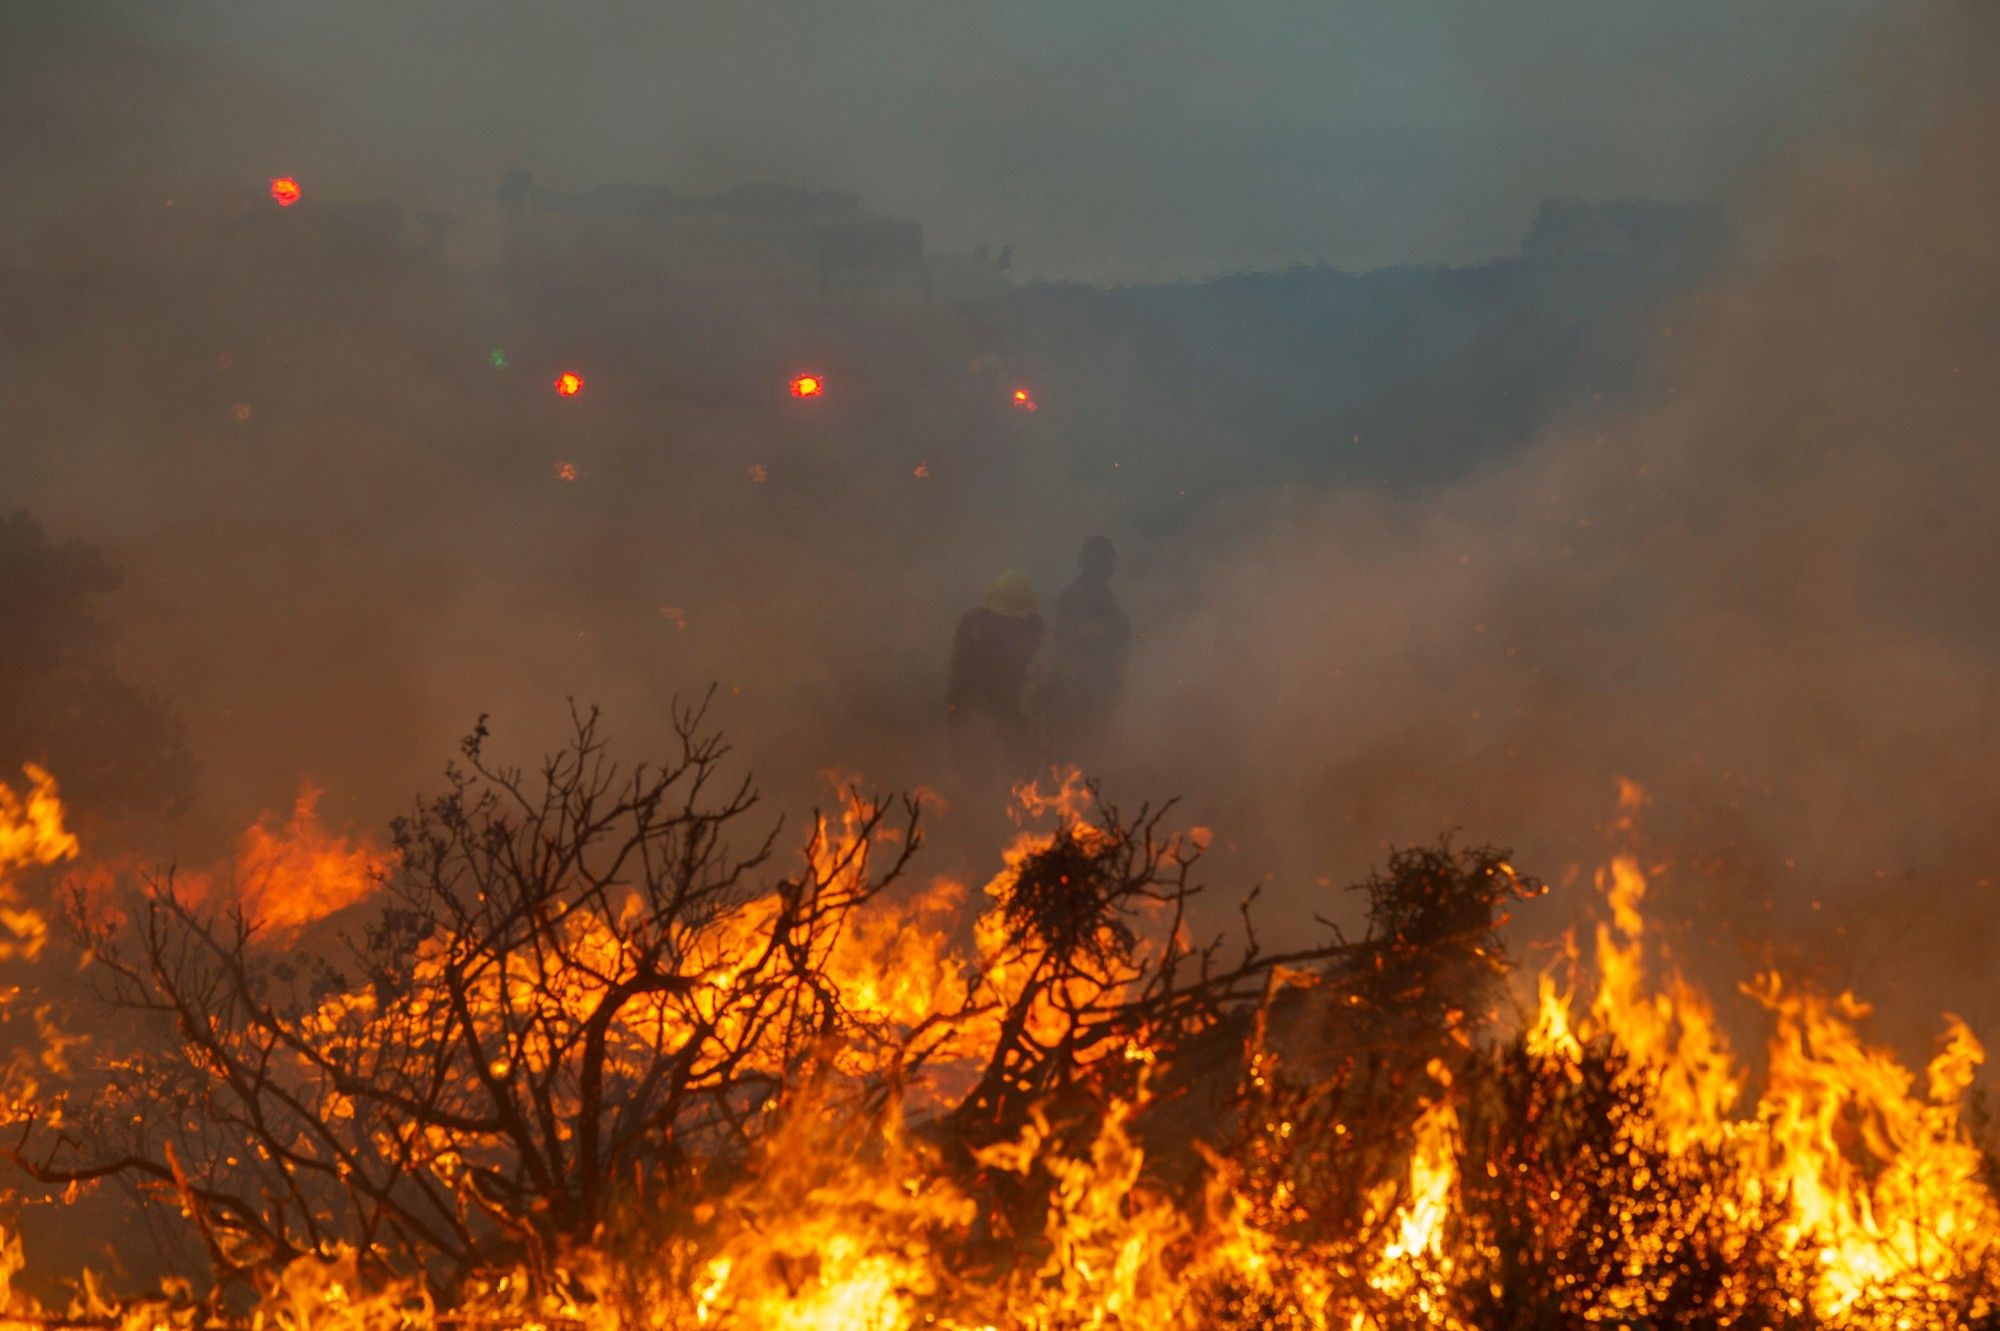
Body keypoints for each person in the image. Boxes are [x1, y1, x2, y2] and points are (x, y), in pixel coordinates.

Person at [947, 571, 1044, 793]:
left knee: (1021, 758)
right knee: (973, 761)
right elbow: (962, 669)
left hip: (1011, 700)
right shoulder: (973, 627)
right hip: (971, 700)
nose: (1015, 621)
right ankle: (978, 804)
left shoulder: (1032, 626)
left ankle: (1018, 797)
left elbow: (1035, 665)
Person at [1043, 536, 1131, 765]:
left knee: (1094, 738)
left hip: (1096, 679)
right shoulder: (1078, 593)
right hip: (1080, 680)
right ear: (1092, 560)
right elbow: (1070, 634)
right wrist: (1113, 631)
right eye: (1105, 558)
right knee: (1078, 740)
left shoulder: (1101, 592)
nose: (1110, 564)